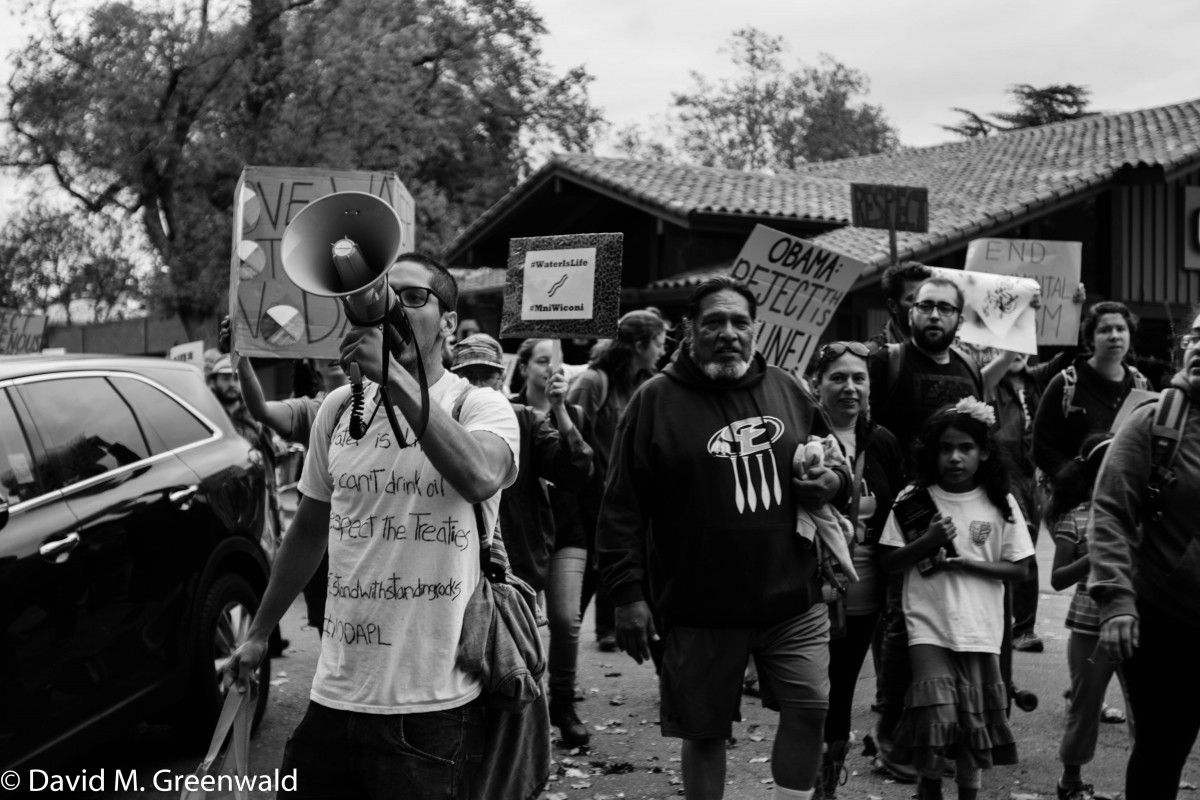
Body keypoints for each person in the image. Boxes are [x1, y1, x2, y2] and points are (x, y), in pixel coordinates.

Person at [222, 254, 521, 800]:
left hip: (431, 710)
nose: (396, 309)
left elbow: (480, 475)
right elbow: (309, 533)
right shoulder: (340, 410)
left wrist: (395, 379)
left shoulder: (482, 406)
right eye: (388, 296)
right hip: (334, 695)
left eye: (413, 298)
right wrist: (260, 632)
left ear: (449, 322)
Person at [598, 276, 851, 800]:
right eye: (714, 322)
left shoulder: (788, 388)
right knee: (706, 731)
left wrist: (836, 482)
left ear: (756, 329)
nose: (729, 333)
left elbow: (836, 463)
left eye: (740, 322)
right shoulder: (654, 401)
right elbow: (622, 507)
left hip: (792, 597)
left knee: (811, 710)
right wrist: (626, 595)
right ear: (690, 330)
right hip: (698, 606)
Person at [879, 399, 1035, 800]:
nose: (954, 457)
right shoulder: (913, 498)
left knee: (971, 722)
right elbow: (889, 562)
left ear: (983, 452)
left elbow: (1020, 569)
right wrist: (928, 541)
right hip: (928, 624)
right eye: (946, 448)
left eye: (965, 448)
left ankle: (968, 792)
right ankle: (928, 787)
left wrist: (963, 564)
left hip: (981, 629)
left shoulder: (1000, 502)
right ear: (932, 452)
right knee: (936, 715)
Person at [452, 333, 595, 746]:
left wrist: (560, 410)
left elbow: (576, 468)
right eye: (468, 375)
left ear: (501, 377)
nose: (478, 384)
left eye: (487, 375)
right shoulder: (438, 420)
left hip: (518, 564)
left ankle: (546, 724)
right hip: (457, 563)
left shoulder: (524, 420)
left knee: (518, 665)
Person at [866, 276, 983, 779]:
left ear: (959, 317)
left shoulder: (969, 367)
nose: (934, 315)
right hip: (904, 510)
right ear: (909, 312)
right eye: (925, 306)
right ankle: (891, 736)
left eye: (945, 309)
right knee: (902, 623)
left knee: (953, 624)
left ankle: (943, 733)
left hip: (958, 513)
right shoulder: (886, 362)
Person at [1089, 307, 1200, 800]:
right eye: (1196, 337)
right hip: (1163, 619)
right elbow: (1109, 510)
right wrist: (1116, 601)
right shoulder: (1154, 422)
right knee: (1162, 749)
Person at [808, 342, 906, 798]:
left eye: (859, 378)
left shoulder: (882, 442)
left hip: (864, 590)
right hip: (807, 589)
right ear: (817, 383)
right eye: (838, 378)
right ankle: (801, 774)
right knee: (809, 692)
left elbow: (900, 510)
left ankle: (826, 780)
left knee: (843, 688)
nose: (850, 387)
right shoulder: (797, 435)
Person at [219, 319, 351, 638]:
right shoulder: (311, 409)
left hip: (370, 534)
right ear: (312, 364)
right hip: (323, 534)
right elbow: (262, 411)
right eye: (324, 346)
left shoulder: (386, 398)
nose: (332, 353)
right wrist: (242, 357)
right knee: (330, 629)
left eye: (341, 342)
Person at [568, 309, 668, 653]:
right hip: (590, 500)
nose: (662, 351)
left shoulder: (647, 387)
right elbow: (570, 440)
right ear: (640, 345)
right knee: (580, 590)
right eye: (658, 343)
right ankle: (554, 675)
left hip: (629, 499)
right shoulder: (593, 382)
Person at [513, 337, 596, 746]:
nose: (549, 369)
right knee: (520, 623)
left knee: (565, 619)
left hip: (567, 533)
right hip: (521, 534)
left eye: (556, 362)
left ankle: (562, 703)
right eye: (542, 361)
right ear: (524, 367)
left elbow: (587, 471)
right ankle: (523, 705)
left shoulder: (575, 411)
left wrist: (561, 409)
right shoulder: (505, 409)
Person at [1047, 433, 1130, 800]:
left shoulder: (1137, 510)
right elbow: (1058, 578)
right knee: (1085, 706)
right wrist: (1095, 555)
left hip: (1134, 621)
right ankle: (1070, 782)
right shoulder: (1076, 517)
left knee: (1147, 709)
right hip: (1088, 625)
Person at [1033, 301, 1150, 482]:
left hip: (1124, 493)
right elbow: (1041, 447)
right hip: (1074, 500)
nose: (1114, 336)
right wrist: (1075, 479)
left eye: (1121, 329)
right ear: (1090, 338)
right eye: (1105, 330)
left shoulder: (1141, 385)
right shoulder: (1065, 384)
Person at [868, 261, 933, 352]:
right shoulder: (873, 354)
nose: (924, 305)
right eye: (913, 299)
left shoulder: (948, 352)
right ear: (893, 306)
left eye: (927, 298)